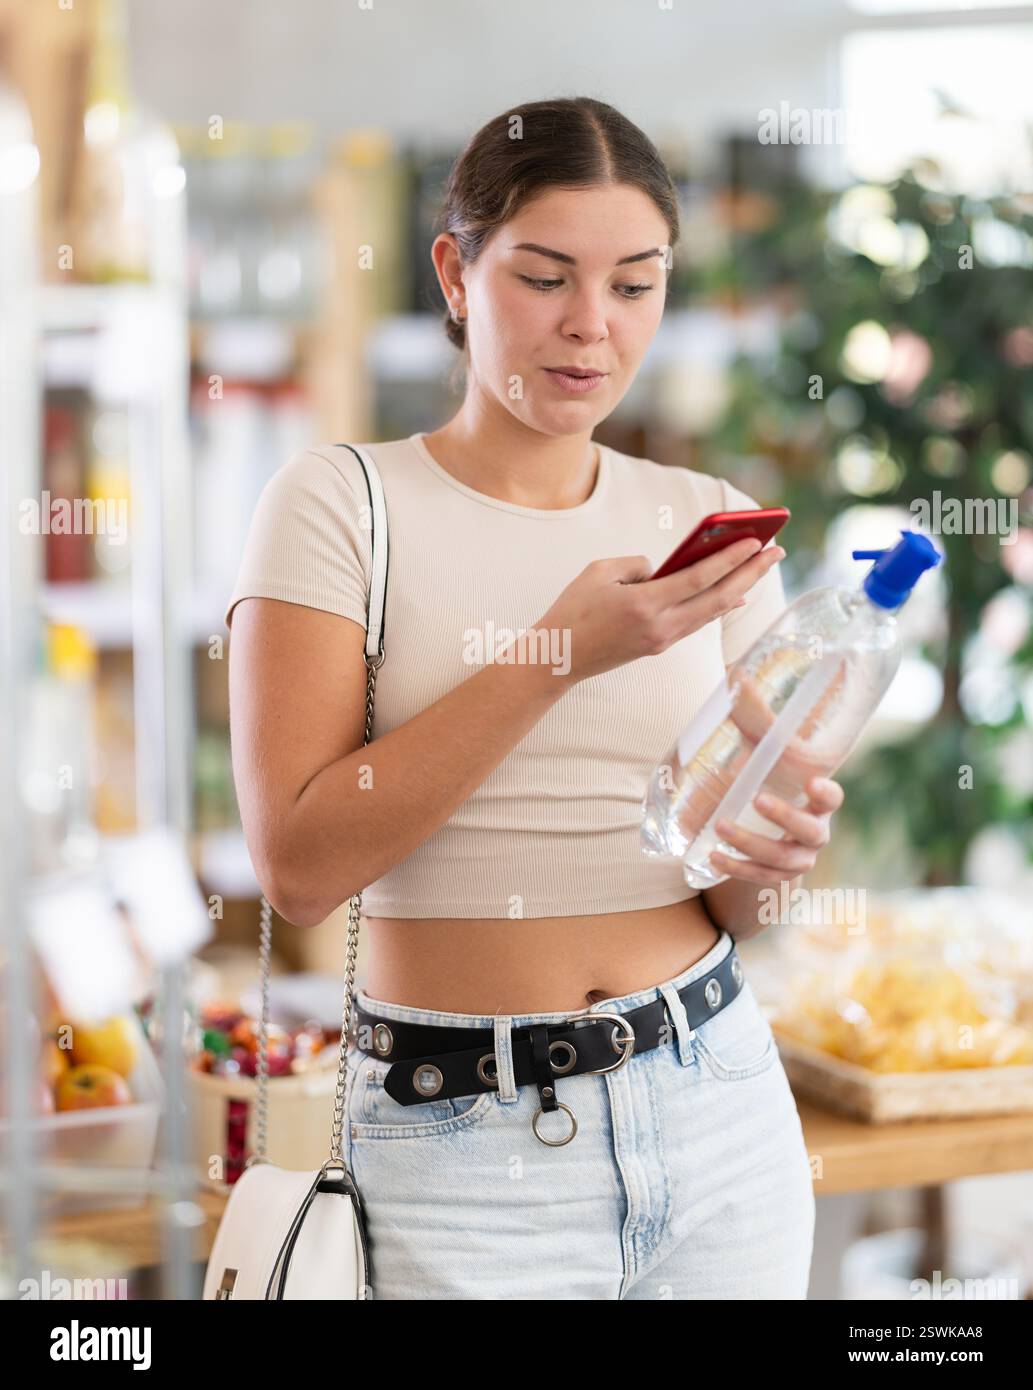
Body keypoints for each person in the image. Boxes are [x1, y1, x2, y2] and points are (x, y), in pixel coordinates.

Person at [224, 96, 843, 1300]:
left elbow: (745, 907)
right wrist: (561, 650)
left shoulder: (698, 518)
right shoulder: (339, 505)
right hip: (461, 1145)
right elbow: (298, 863)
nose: (589, 329)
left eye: (633, 285)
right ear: (455, 272)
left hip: (715, 1101)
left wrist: (775, 844)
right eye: (545, 277)